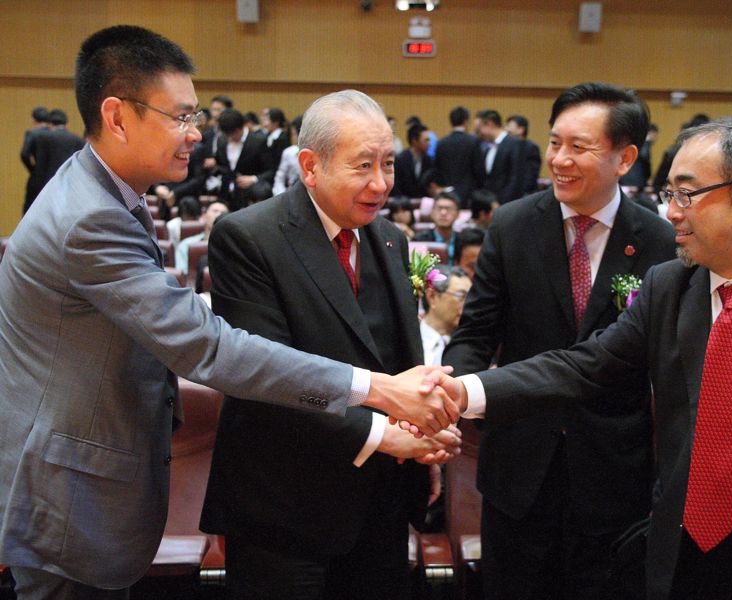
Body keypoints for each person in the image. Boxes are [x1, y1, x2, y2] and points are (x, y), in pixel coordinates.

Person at [0, 26, 458, 599]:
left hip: (91, 486)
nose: (196, 135)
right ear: (117, 117)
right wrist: (379, 391)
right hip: (75, 497)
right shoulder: (91, 218)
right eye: (181, 117)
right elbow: (211, 348)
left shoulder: (105, 196)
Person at [435, 117, 732, 600]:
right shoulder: (669, 289)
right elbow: (582, 367)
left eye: (686, 194)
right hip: (689, 552)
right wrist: (463, 390)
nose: (671, 212)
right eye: (668, 195)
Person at [199, 89, 461, 600]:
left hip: (380, 504)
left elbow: (397, 356)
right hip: (283, 510)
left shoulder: (389, 238)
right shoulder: (249, 237)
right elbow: (262, 378)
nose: (381, 183)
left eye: (387, 163)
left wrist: (422, 437)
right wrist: (385, 435)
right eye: (363, 166)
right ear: (310, 166)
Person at [442, 81, 676, 600]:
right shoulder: (513, 224)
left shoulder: (661, 240)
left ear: (625, 157)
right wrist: (449, 388)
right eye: (554, 143)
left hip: (615, 475)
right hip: (519, 470)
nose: (560, 160)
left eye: (579, 147)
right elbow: (475, 334)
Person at [20, 109, 85, 214]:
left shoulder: (43, 138)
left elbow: (39, 162)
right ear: (67, 124)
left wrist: (33, 172)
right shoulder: (77, 140)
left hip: (44, 183)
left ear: (50, 124)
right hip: (67, 184)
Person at [421, 265, 471, 366]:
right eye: (461, 296)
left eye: (470, 298)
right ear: (432, 297)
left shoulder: (470, 346)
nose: (468, 304)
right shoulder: (407, 338)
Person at [434, 106, 481, 207]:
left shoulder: (441, 143)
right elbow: (478, 169)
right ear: (466, 121)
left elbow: (437, 169)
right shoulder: (474, 141)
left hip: (447, 192)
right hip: (469, 194)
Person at [175, 200, 229, 274]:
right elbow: (182, 276)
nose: (219, 215)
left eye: (223, 213)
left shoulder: (231, 247)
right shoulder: (186, 244)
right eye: (215, 211)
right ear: (204, 216)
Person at [413, 191, 461, 263]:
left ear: (458, 214)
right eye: (439, 208)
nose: (443, 213)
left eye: (448, 209)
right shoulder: (419, 239)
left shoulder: (464, 241)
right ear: (432, 213)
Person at [20, 106, 51, 214]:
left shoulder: (32, 133)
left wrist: (32, 169)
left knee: (30, 208)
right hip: (53, 177)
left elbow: (24, 154)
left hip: (37, 177)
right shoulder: (54, 134)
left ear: (33, 119)